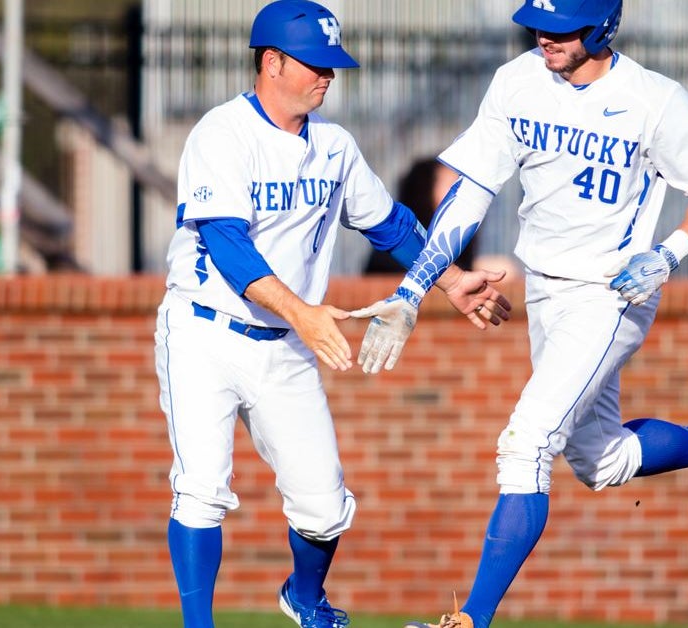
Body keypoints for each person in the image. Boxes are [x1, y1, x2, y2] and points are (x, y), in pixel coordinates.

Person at [352, 2, 688, 626]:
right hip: (545, 290)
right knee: (602, 461)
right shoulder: (518, 80)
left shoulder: (655, 100)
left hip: (611, 293)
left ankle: (471, 619)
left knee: (526, 442)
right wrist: (413, 288)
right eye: (540, 22)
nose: (545, 36)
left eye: (563, 27)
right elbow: (471, 189)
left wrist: (667, 255)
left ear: (603, 25)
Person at [152, 3, 511, 628]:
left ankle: (305, 597)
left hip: (287, 342)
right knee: (201, 490)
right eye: (315, 64)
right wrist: (304, 314)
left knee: (323, 506)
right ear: (272, 63)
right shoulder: (222, 133)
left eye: (332, 65)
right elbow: (228, 245)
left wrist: (451, 280)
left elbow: (389, 223)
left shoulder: (334, 146)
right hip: (204, 333)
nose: (328, 76)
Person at [363, 158, 476, 274]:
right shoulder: (398, 243)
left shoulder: (460, 237)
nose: (463, 194)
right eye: (453, 186)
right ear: (425, 189)